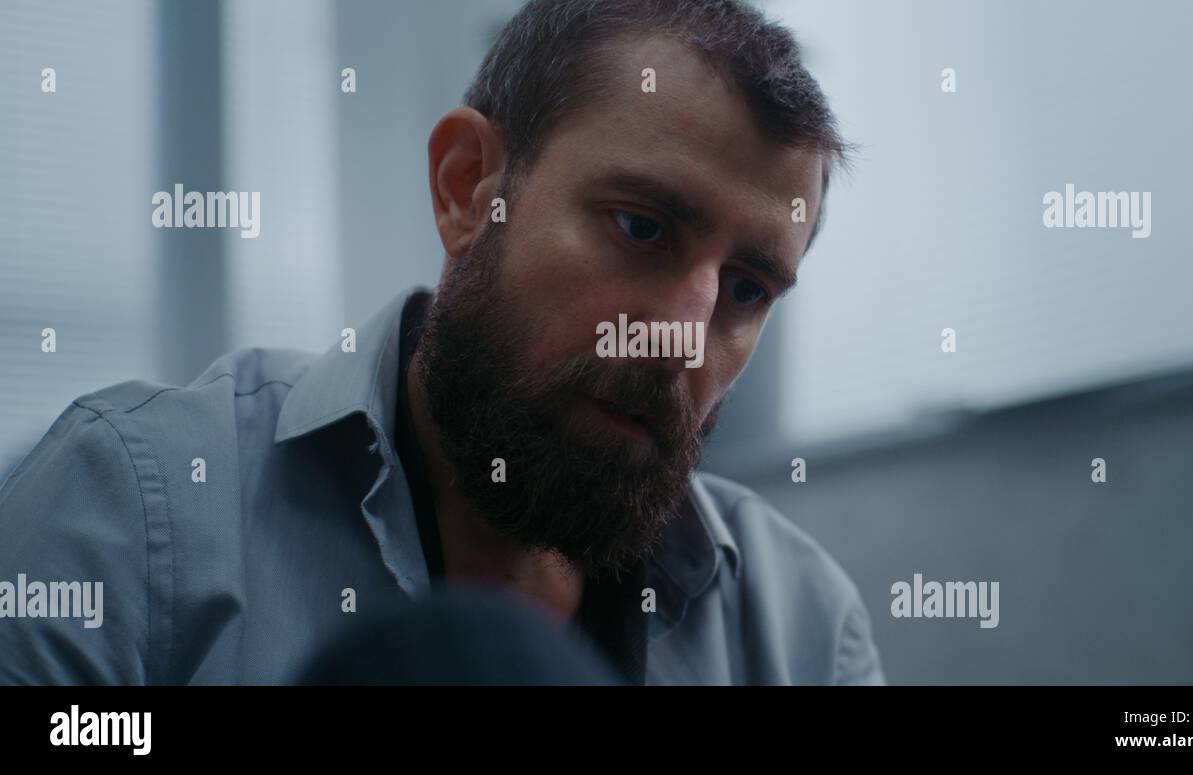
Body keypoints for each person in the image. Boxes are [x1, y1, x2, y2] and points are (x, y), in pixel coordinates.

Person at [0, 0, 884, 685]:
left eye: (746, 289)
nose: (684, 343)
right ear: (468, 188)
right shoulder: (130, 511)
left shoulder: (799, 633)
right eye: (641, 228)